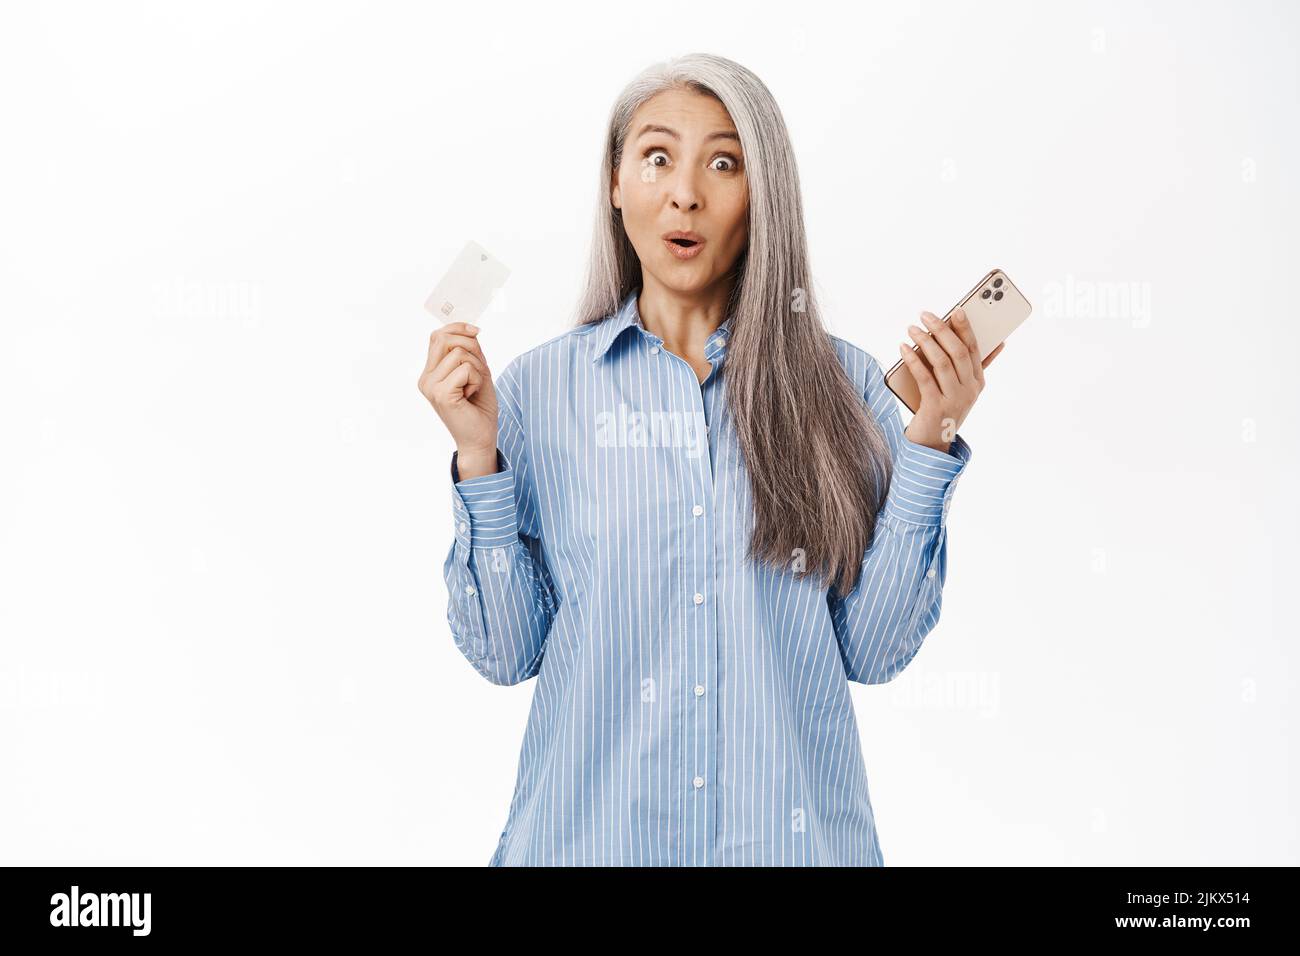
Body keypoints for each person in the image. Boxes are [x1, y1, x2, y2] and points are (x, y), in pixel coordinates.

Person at [418, 52, 1004, 866]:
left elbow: (874, 651)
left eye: (723, 162)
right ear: (615, 185)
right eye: (657, 157)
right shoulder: (535, 394)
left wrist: (932, 436)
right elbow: (505, 653)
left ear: (763, 195)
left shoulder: (843, 388)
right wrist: (478, 456)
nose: (685, 191)